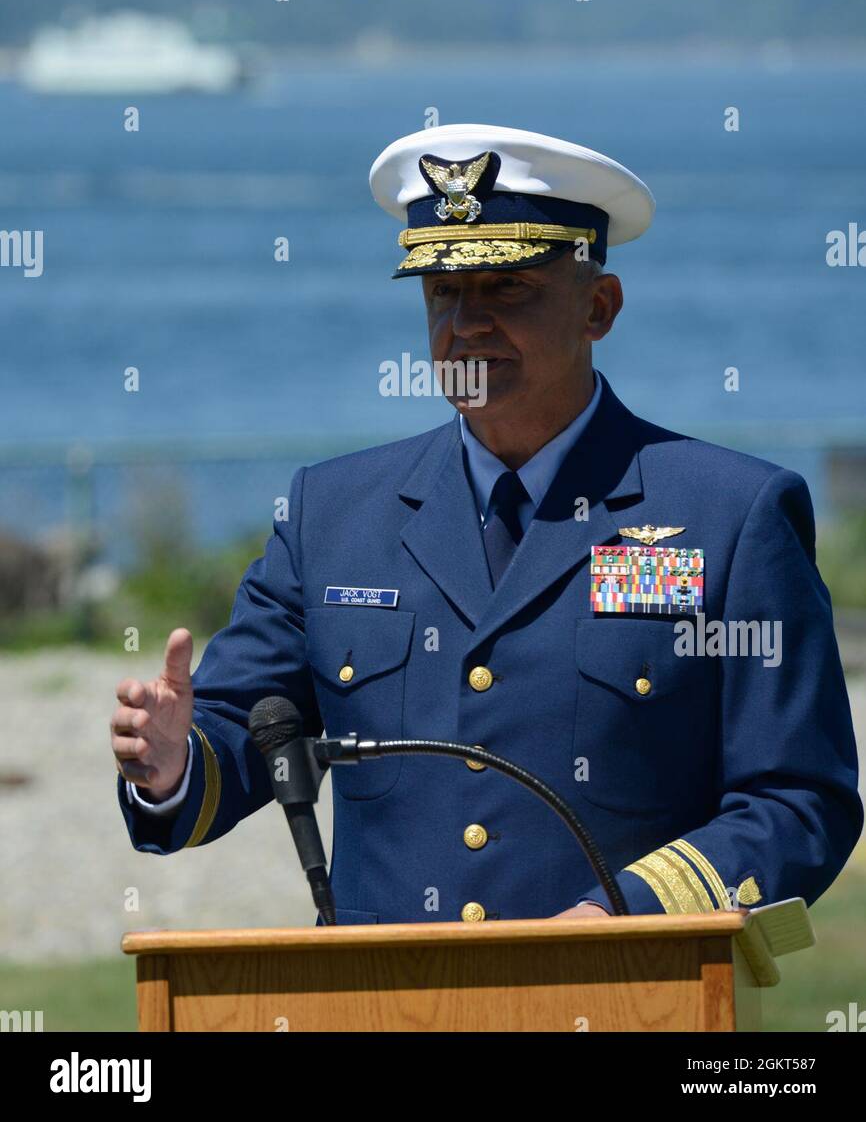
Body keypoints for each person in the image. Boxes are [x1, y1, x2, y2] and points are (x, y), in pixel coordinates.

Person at [111, 123, 862, 924]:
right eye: (443, 292)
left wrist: (628, 913)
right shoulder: (330, 514)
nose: (467, 323)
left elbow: (798, 798)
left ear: (597, 307)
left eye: (508, 288)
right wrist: (170, 763)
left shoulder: (729, 515)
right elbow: (241, 730)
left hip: (626, 999)